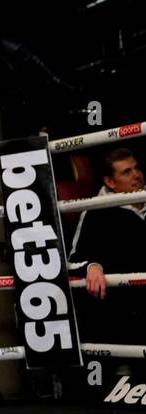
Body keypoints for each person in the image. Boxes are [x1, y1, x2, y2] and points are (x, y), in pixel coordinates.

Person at [69, 147, 146, 344]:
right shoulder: (96, 212)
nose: (136, 175)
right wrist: (92, 266)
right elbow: (74, 260)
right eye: (126, 172)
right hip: (120, 313)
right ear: (110, 182)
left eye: (136, 169)